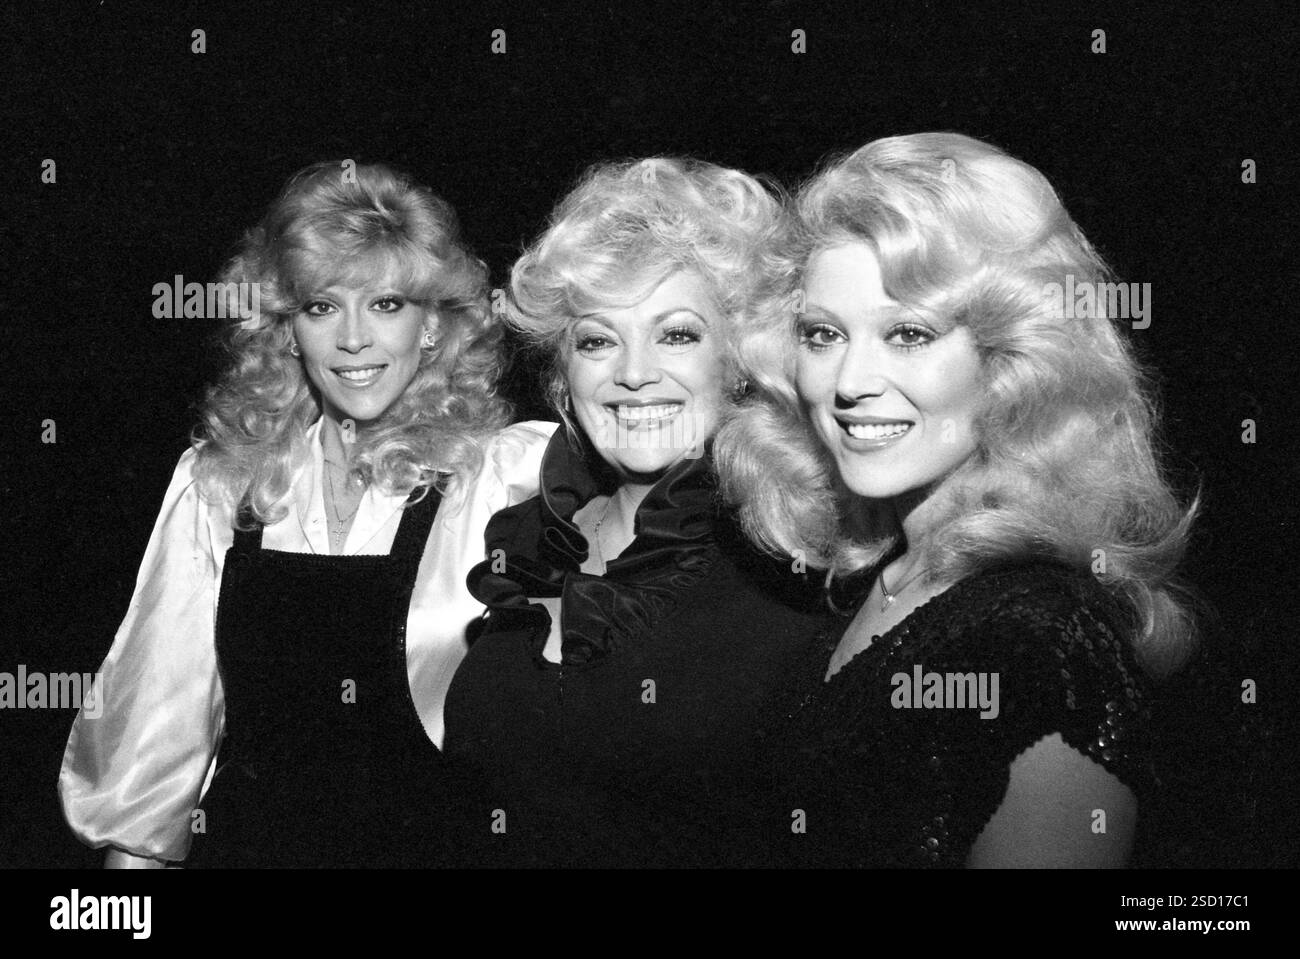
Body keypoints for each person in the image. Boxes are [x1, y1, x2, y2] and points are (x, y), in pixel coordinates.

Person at [715, 132, 1200, 868]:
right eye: (822, 334)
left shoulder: (1041, 643)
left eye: (908, 333)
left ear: (1012, 362)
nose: (850, 381)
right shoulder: (878, 582)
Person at [58, 161, 554, 868]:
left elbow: (660, 451)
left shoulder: (502, 474)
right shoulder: (221, 485)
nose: (353, 338)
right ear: (286, 330)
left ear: (435, 327)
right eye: (322, 306)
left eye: (387, 304)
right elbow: (156, 749)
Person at [440, 157, 824, 868]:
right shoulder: (529, 544)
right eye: (597, 340)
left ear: (740, 359)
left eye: (676, 334)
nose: (634, 373)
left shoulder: (790, 556)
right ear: (562, 377)